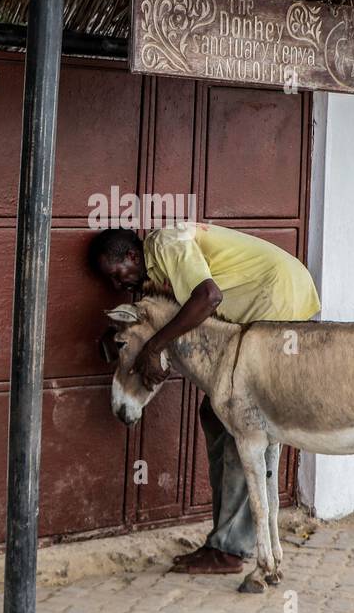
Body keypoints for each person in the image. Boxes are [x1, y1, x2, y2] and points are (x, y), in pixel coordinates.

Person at [90, 222, 321, 574]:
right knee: (217, 415)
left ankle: (230, 549)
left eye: (116, 274)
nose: (116, 285)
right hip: (265, 312)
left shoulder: (167, 242)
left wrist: (154, 347)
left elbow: (208, 297)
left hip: (276, 303)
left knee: (240, 424)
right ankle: (226, 540)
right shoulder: (153, 274)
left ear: (133, 256)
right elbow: (158, 315)